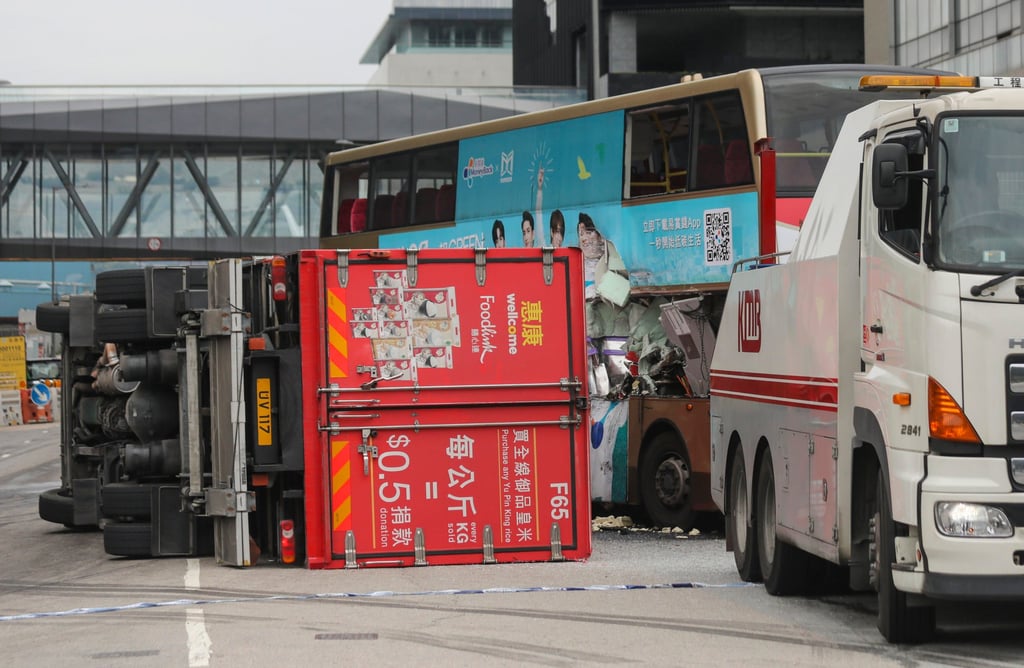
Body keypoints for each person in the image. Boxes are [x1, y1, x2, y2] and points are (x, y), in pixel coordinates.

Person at [577, 212, 628, 303]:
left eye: (588, 232)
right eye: (581, 234)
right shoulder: (575, 268)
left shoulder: (612, 260)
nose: (584, 238)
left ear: (599, 236)